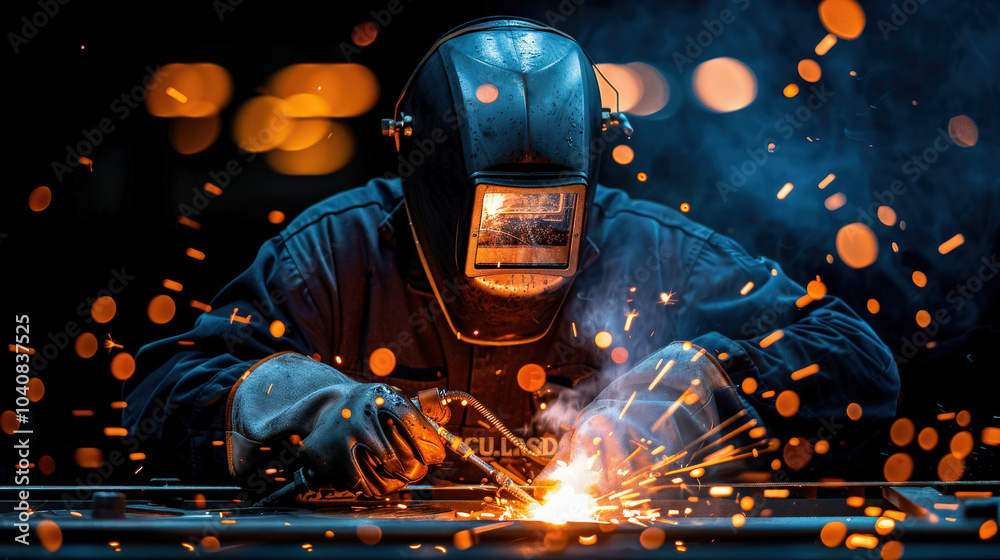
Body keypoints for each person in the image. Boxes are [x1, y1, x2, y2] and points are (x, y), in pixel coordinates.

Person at [125, 17, 899, 500]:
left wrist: (696, 390)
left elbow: (854, 362)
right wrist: (305, 409)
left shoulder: (651, 251)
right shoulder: (335, 255)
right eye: (504, 213)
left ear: (589, 180)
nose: (525, 249)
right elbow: (163, 389)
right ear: (429, 182)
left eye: (550, 213)